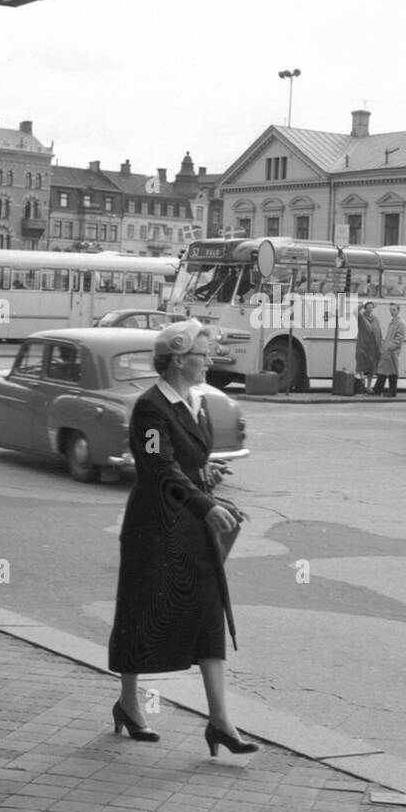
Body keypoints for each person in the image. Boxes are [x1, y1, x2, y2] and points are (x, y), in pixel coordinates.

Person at [107, 319, 259, 757]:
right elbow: (158, 469)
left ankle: (220, 723)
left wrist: (203, 472)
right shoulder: (150, 409)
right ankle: (129, 703)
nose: (211, 360)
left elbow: (185, 461)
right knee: (141, 612)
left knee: (209, 613)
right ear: (176, 359)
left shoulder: (197, 401)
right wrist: (206, 504)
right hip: (154, 528)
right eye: (203, 353)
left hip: (191, 527)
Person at [372, 303, 406, 397]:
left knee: (391, 371)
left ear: (398, 310)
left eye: (394, 310)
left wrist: (389, 347)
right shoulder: (393, 321)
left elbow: (399, 338)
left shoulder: (400, 323)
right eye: (391, 310)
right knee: (385, 371)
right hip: (388, 351)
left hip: (392, 351)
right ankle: (378, 390)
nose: (392, 312)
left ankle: (389, 391)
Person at [354, 300, 383, 394]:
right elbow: (355, 311)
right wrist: (362, 305)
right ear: (365, 308)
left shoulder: (376, 319)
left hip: (373, 346)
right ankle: (361, 385)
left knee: (372, 367)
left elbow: (379, 332)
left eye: (371, 307)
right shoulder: (361, 317)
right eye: (368, 307)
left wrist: (380, 345)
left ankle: (369, 387)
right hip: (363, 344)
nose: (370, 309)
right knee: (361, 365)